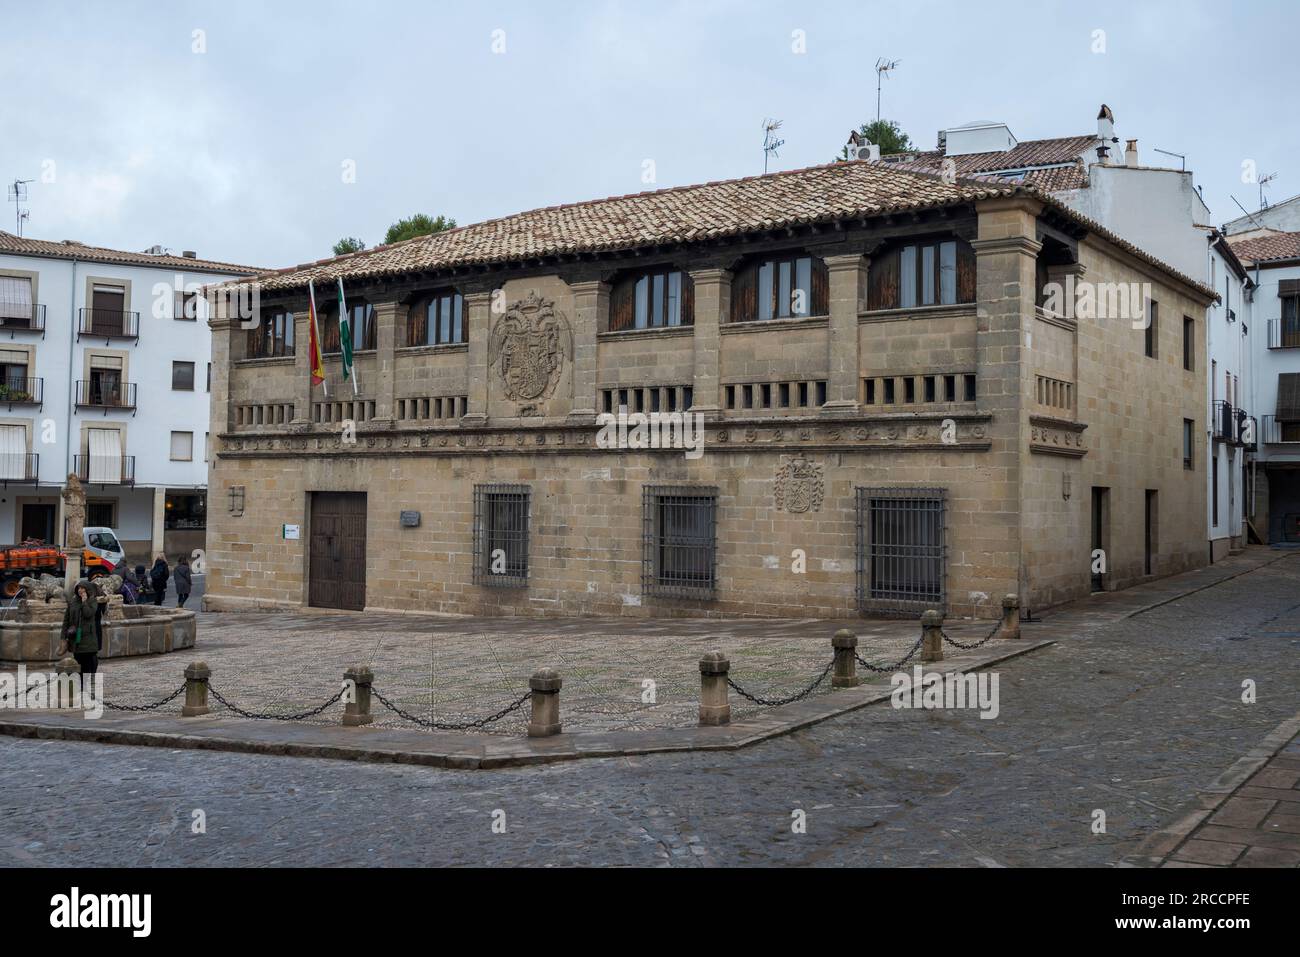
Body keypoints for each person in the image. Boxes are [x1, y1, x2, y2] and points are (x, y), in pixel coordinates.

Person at [59, 581, 105, 684]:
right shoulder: (73, 602)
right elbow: (66, 620)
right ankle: (80, 681)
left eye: (82, 588)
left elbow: (88, 614)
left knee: (88, 660)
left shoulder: (92, 601)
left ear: (87, 590)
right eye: (79, 588)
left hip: (87, 636)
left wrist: (84, 602)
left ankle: (87, 681)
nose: (80, 590)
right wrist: (63, 636)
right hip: (75, 635)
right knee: (78, 659)